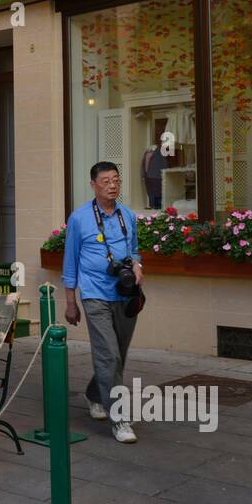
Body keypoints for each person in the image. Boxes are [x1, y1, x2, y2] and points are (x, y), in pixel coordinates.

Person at [62, 161, 145, 444]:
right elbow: (70, 261)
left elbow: (134, 250)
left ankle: (94, 394)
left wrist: (137, 265)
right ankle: (119, 419)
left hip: (126, 295)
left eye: (116, 180)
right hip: (95, 295)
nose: (112, 185)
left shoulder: (128, 216)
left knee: (117, 354)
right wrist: (70, 301)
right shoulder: (79, 218)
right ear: (93, 184)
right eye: (106, 180)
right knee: (109, 356)